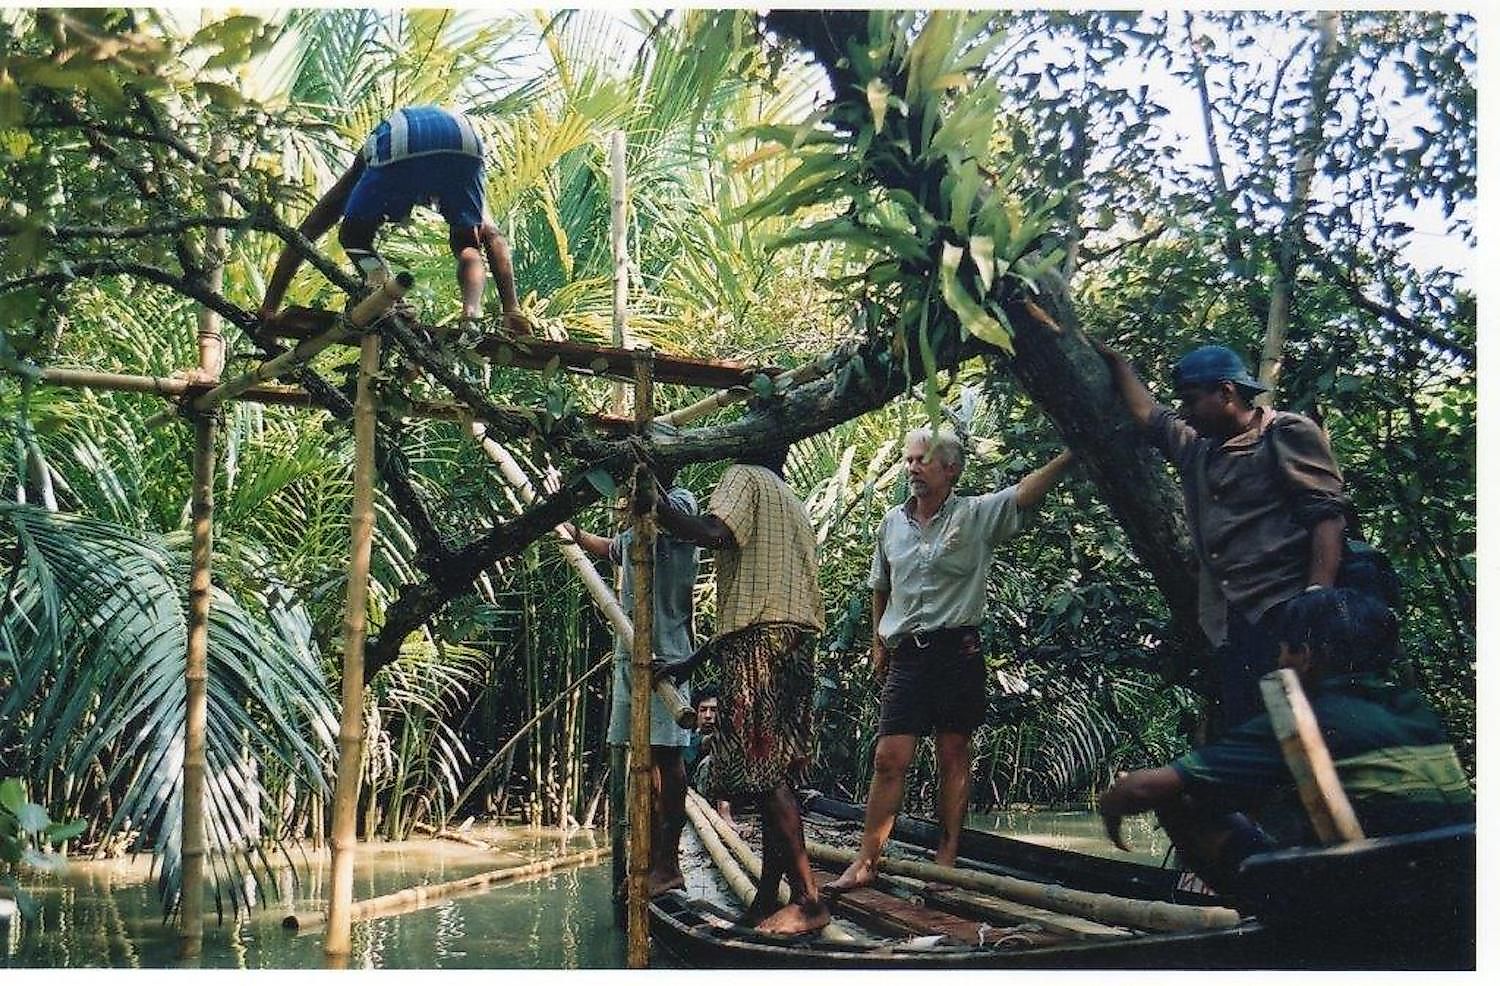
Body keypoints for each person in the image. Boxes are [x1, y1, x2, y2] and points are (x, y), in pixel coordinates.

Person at [825, 428, 1074, 893]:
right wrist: (879, 642)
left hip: (958, 651)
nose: (913, 468)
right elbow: (881, 585)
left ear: (951, 469)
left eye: (923, 460)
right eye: (909, 460)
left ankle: (946, 859)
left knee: (953, 752)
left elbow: (1023, 494)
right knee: (888, 756)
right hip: (908, 654)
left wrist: (1072, 453)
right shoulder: (891, 523)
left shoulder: (976, 514)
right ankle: (866, 860)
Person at [1098, 587, 1473, 895]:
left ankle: (1291, 929)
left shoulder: (1305, 717)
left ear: (1305, 657)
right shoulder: (1415, 709)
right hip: (1456, 885)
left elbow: (1144, 790)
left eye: (1282, 649)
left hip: (1371, 895)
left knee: (1180, 799)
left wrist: (1111, 803)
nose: (1277, 659)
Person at [1093, 341, 1348, 728]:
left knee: (1307, 732)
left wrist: (1316, 602)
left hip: (1287, 609)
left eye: (1192, 400)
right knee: (1253, 732)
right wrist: (1117, 361)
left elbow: (1326, 515)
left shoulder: (1285, 432)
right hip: (1234, 622)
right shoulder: (1199, 450)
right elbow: (1150, 415)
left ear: (1226, 392)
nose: (1185, 411)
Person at [652, 444, 828, 935]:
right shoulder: (788, 497)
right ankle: (771, 895)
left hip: (759, 643)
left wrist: (657, 506)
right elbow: (765, 593)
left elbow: (714, 531)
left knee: (763, 772)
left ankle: (810, 899)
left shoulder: (742, 475)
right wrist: (695, 659)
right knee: (773, 773)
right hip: (794, 640)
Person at [258, 104, 527, 334]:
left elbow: (308, 230)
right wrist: (511, 308)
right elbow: (492, 236)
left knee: (352, 235)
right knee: (469, 244)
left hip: (401, 145)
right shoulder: (462, 183)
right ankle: (472, 315)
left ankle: (383, 288)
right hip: (467, 145)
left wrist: (270, 305)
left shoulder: (364, 164)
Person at [564, 464, 699, 896]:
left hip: (665, 656)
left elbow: (654, 506)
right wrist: (575, 535)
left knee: (667, 759)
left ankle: (668, 862)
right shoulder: (638, 523)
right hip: (631, 651)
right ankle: (648, 858)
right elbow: (614, 550)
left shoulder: (680, 503)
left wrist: (639, 476)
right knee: (644, 762)